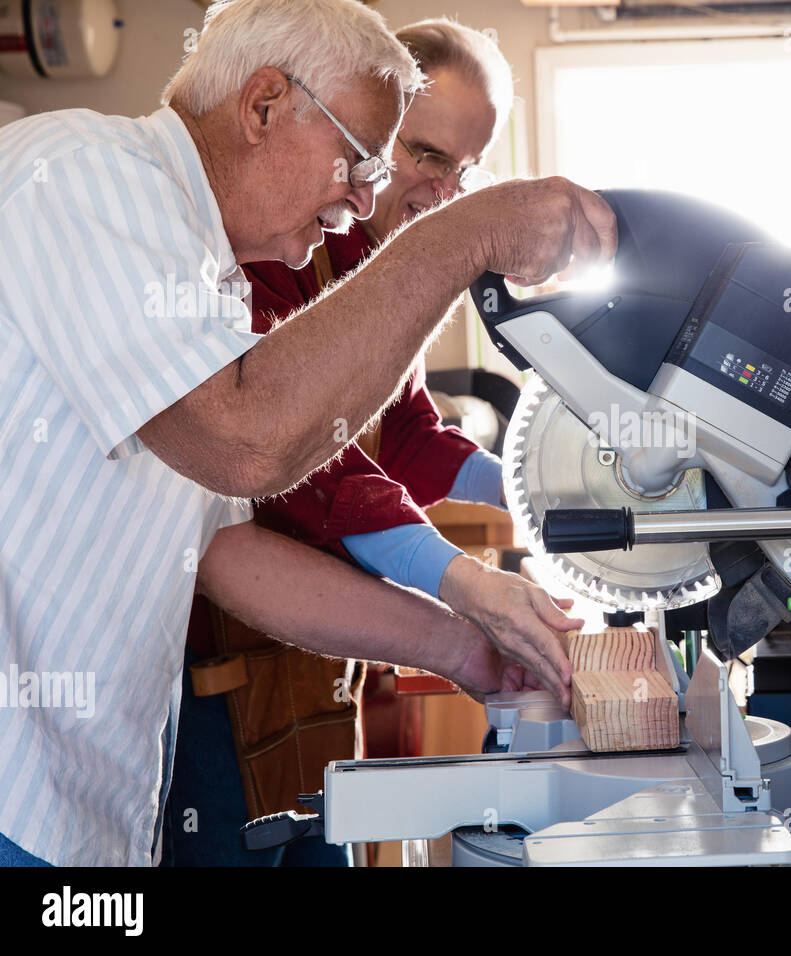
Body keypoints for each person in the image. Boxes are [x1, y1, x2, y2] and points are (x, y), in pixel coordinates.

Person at [0, 0, 615, 867]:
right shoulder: (90, 177)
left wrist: (470, 653)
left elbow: (227, 550)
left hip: (86, 798)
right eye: (362, 159)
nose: (364, 198)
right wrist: (461, 236)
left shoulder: (199, 268)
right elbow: (252, 442)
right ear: (263, 106)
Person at [165, 18, 526, 867]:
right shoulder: (265, 246)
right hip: (214, 678)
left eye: (466, 172)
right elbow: (304, 465)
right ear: (371, 129)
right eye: (428, 157)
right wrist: (457, 579)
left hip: (313, 658)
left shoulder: (366, 261)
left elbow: (402, 428)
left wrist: (531, 492)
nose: (443, 194)